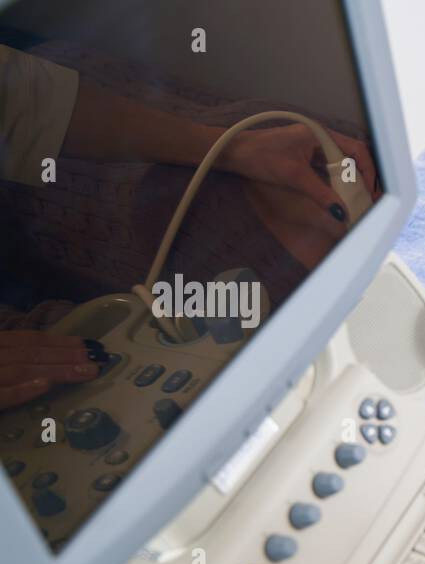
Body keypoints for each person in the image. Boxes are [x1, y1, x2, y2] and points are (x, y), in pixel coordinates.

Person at [0, 44, 380, 410]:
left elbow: (27, 101)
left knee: (296, 171)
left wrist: (232, 149)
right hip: (35, 231)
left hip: (73, 105)